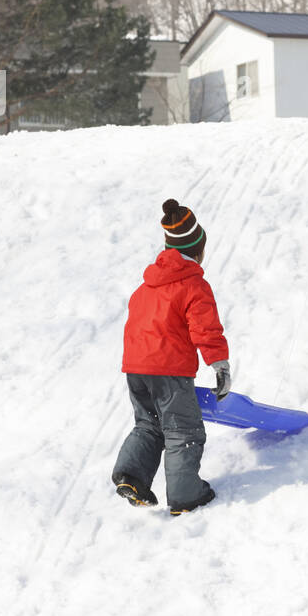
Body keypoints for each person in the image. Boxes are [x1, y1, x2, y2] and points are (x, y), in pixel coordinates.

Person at [112, 199, 230, 515]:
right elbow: (205, 328)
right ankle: (186, 496)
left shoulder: (145, 287)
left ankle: (132, 477)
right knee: (183, 431)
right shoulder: (193, 286)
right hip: (169, 372)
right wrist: (219, 363)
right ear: (197, 251)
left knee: (149, 425)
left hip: (136, 368)